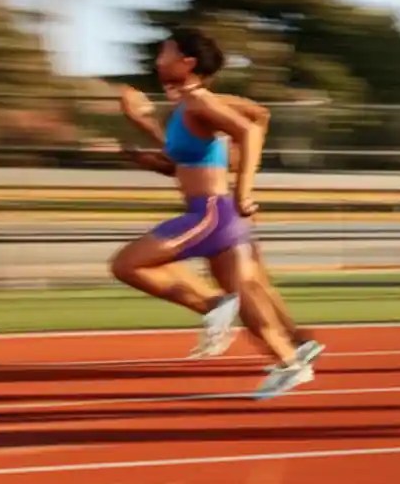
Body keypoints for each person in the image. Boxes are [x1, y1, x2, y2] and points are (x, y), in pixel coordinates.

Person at [107, 28, 311, 399]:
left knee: (127, 264)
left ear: (187, 63)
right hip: (217, 215)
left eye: (166, 53)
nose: (158, 60)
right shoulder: (185, 108)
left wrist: (245, 192)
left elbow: (250, 130)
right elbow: (181, 166)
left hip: (211, 214)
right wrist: (143, 148)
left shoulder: (200, 102)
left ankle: (213, 305)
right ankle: (290, 361)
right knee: (245, 295)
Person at [119, 84, 324, 368]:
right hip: (219, 210)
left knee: (247, 286)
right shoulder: (186, 121)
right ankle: (293, 343)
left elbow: (259, 115)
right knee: (250, 284)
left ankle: (290, 345)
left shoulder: (208, 110)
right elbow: (180, 164)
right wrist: (149, 158)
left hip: (225, 210)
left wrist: (242, 168)